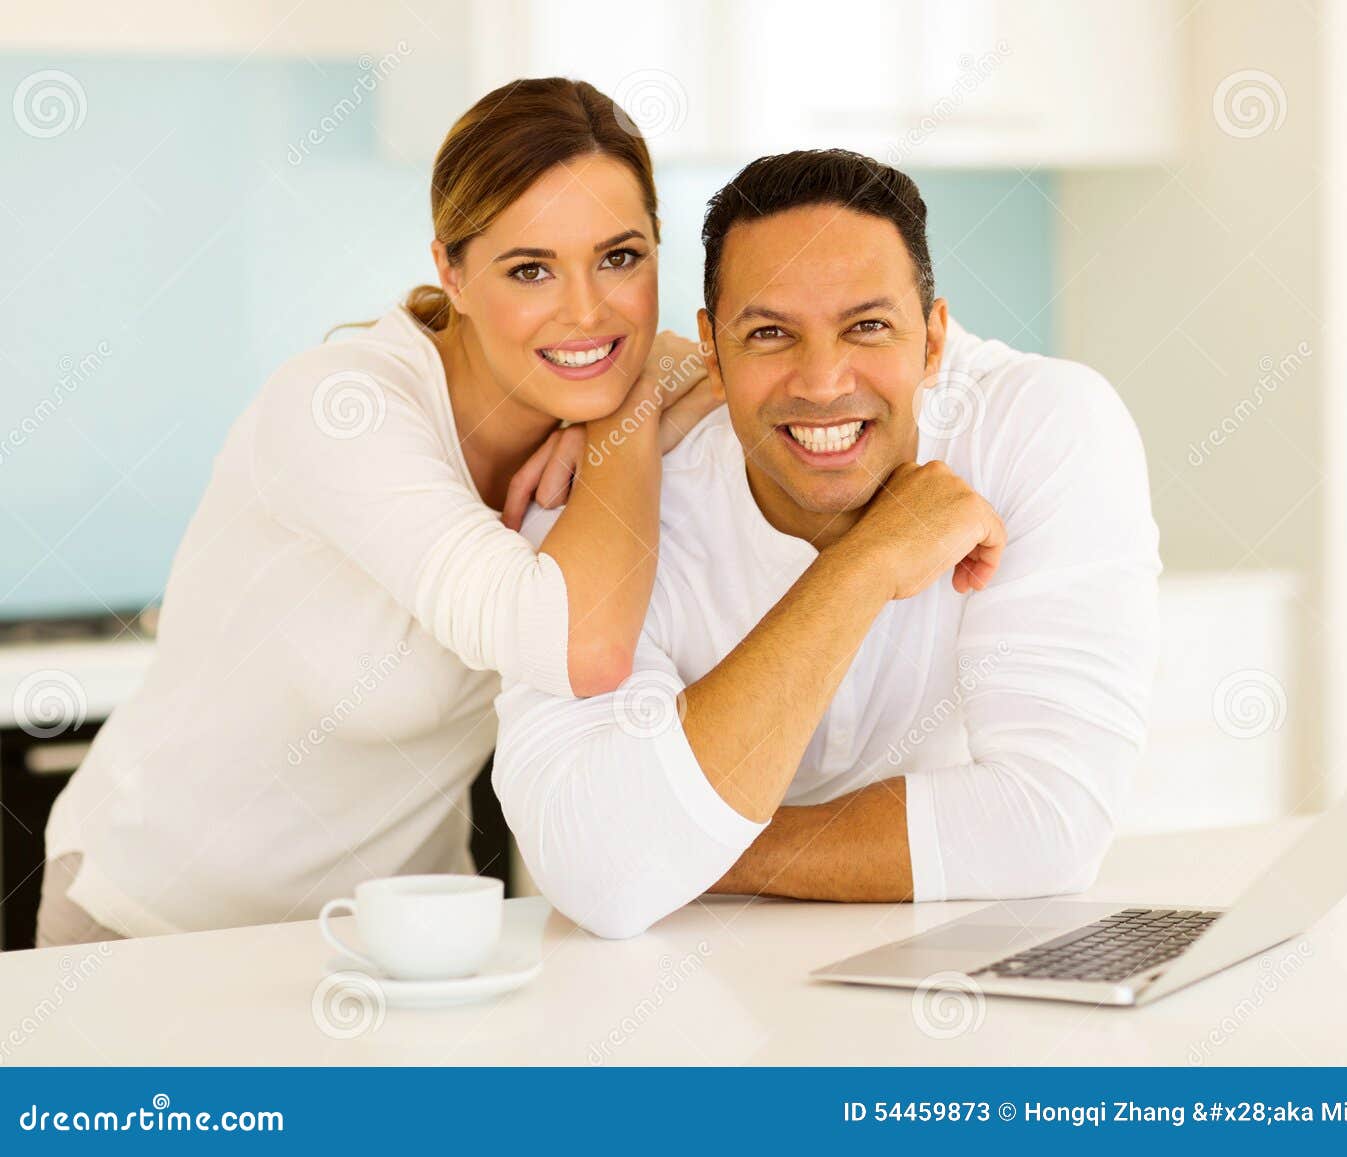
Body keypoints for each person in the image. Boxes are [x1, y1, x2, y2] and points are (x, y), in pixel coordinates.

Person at [35, 78, 722, 945]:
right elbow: (580, 644)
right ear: (453, 272)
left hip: (400, 942)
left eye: (620, 257)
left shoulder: (592, 419)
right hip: (154, 927)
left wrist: (651, 394)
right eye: (531, 269)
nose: (588, 310)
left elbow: (751, 362)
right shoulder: (339, 407)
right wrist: (633, 416)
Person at [492, 149, 1162, 939]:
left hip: (933, 970)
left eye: (868, 326)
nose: (822, 380)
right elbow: (599, 875)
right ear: (710, 348)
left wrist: (679, 845)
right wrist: (867, 563)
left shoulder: (1043, 427)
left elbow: (1052, 825)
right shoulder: (599, 508)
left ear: (934, 338)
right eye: (771, 332)